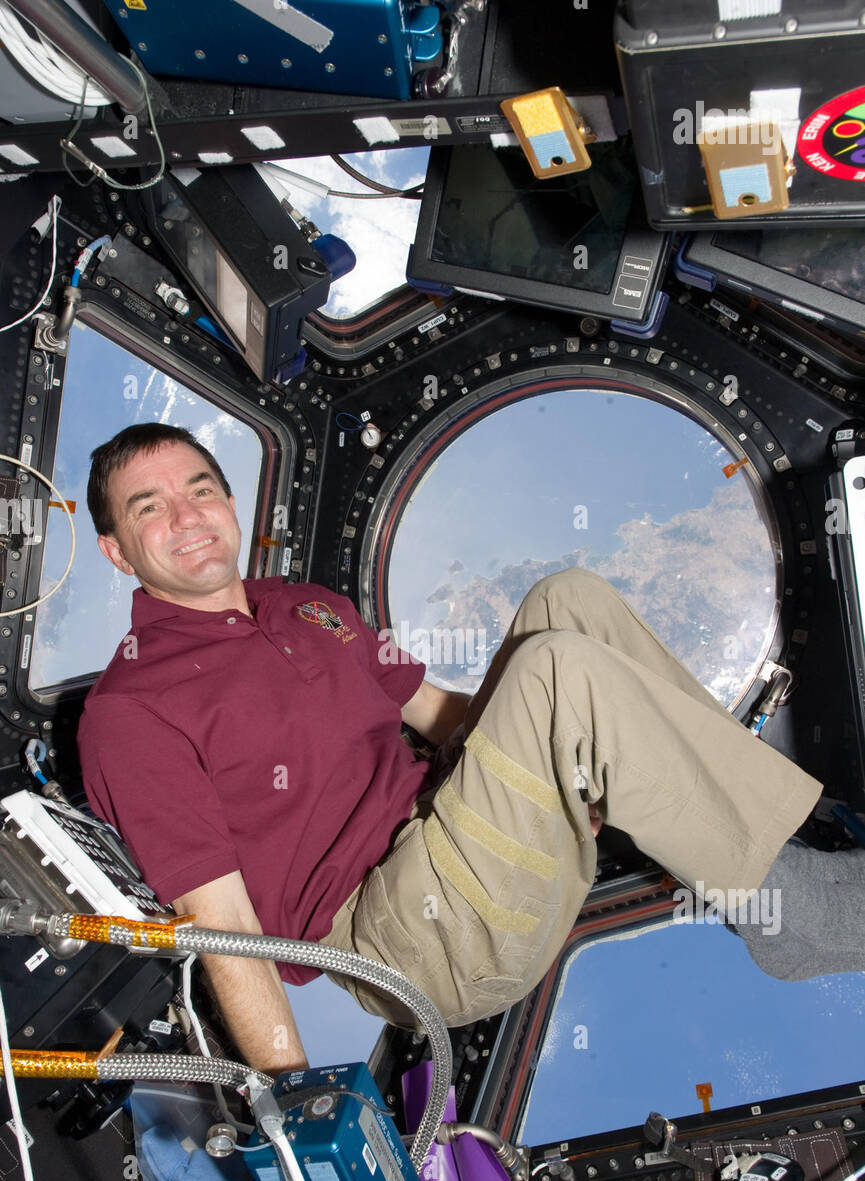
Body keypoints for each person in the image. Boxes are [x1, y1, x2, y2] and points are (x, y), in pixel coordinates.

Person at [79, 422, 850, 1077]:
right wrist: (292, 1098)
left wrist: (547, 769)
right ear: (118, 552)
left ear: (229, 501)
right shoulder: (130, 709)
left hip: (456, 825)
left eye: (200, 488)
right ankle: (792, 911)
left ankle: (764, 856)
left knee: (566, 602)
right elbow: (222, 931)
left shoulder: (301, 606)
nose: (188, 515)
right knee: (558, 668)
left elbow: (438, 713)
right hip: (414, 933)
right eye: (151, 508)